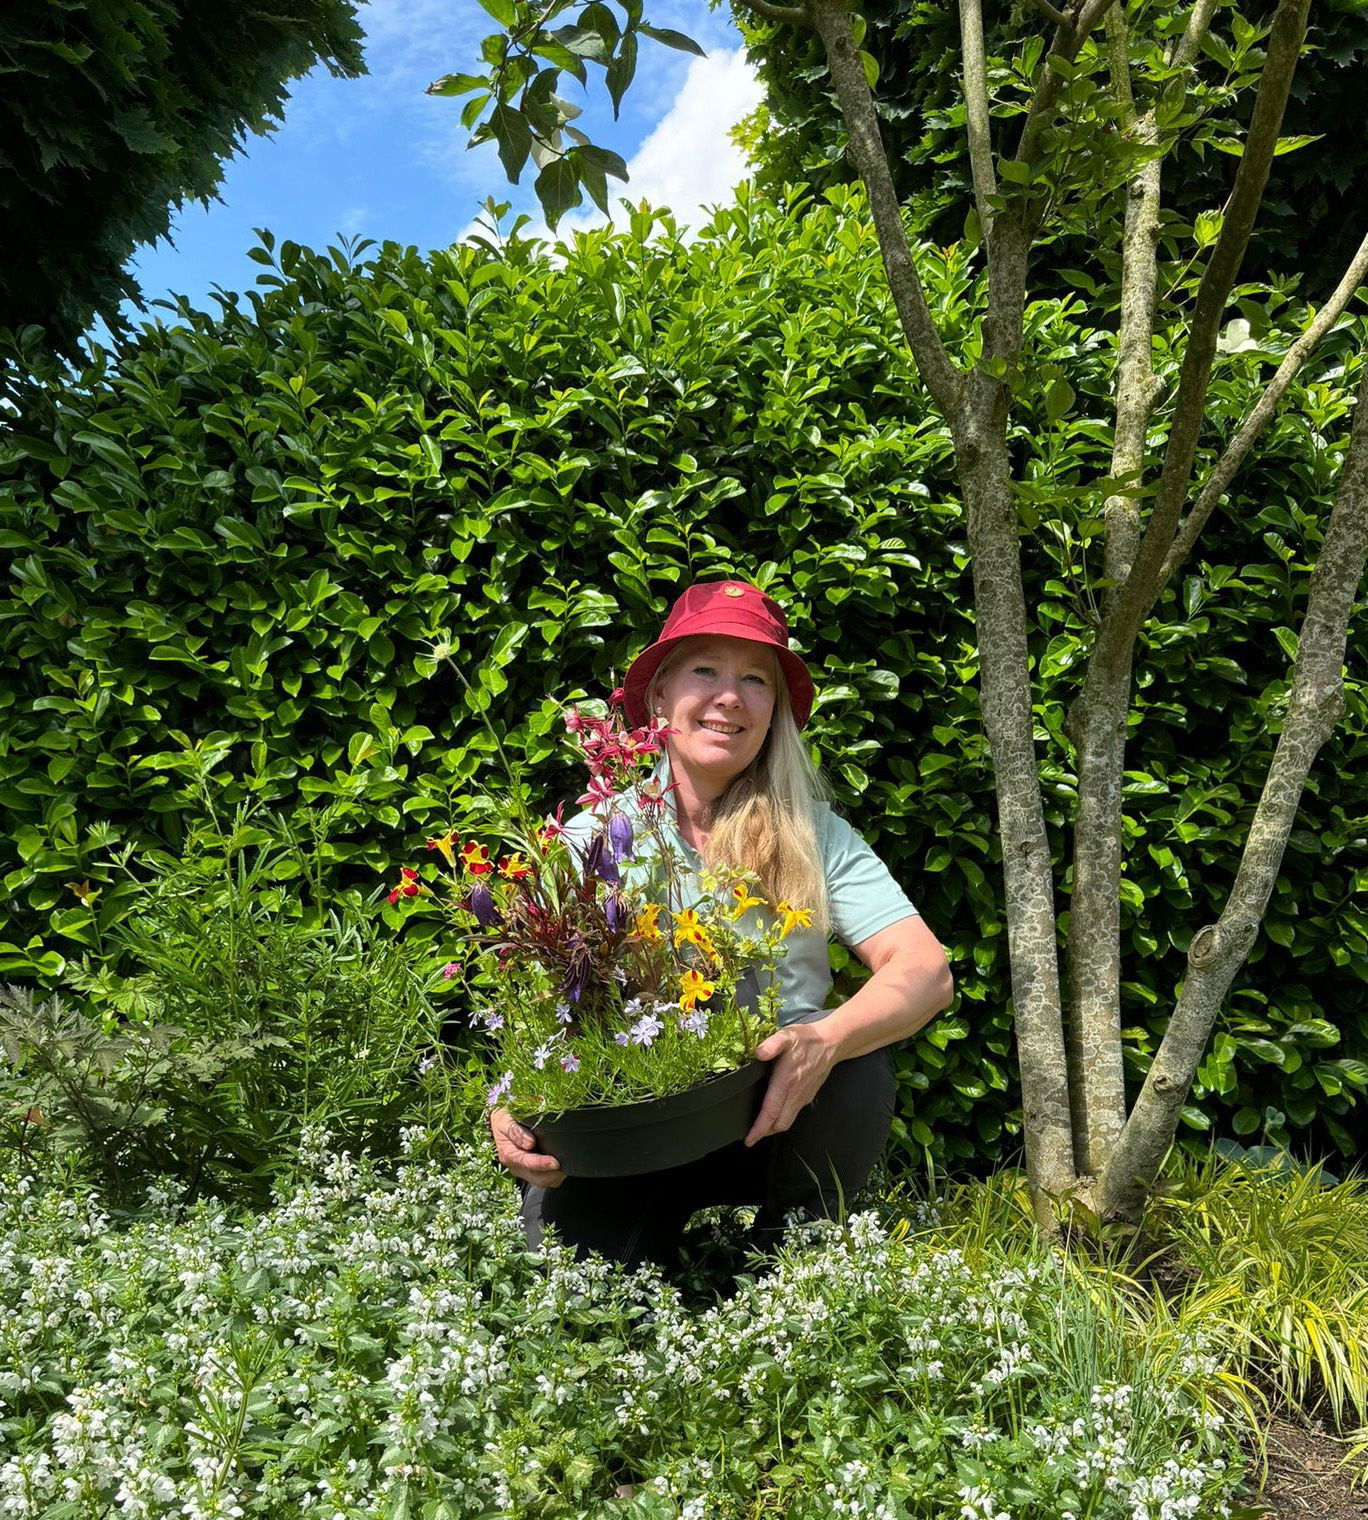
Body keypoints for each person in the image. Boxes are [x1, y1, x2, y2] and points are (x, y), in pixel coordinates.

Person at [488, 579, 954, 1269]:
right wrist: (512, 1108)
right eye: (705, 670)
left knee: (857, 1067)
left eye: (755, 679)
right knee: (572, 1295)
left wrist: (822, 1038)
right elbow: (535, 1016)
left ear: (776, 711)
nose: (729, 696)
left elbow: (926, 971)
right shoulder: (594, 835)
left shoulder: (813, 834)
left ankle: (787, 1264)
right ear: (658, 697)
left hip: (775, 1117)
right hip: (631, 1128)